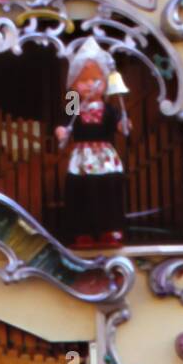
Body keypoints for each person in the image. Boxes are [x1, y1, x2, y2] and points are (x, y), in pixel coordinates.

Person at [55, 38, 129, 248]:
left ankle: (110, 229)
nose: (89, 84)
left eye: (95, 79)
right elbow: (63, 122)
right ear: (74, 84)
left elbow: (120, 127)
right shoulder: (73, 102)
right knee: (82, 192)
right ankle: (82, 231)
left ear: (104, 83)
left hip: (105, 157)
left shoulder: (109, 107)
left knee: (107, 191)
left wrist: (124, 126)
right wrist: (61, 131)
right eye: (83, 80)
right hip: (82, 158)